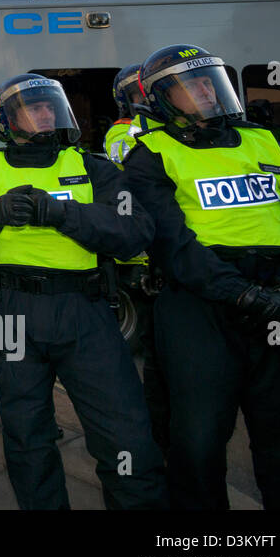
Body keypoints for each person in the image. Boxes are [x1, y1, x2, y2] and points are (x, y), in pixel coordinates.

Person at [0, 73, 167, 509]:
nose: (46, 114)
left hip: (87, 311)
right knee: (27, 436)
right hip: (11, 313)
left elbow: (135, 230)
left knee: (125, 435)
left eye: (50, 106)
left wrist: (64, 214)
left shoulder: (91, 166)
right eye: (33, 108)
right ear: (6, 120)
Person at [127, 44, 280, 510]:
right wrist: (243, 295)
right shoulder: (149, 154)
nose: (204, 92)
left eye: (208, 82)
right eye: (190, 87)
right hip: (203, 306)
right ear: (161, 100)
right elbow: (172, 245)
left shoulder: (262, 140)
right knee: (197, 445)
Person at [103, 66, 169, 453]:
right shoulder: (123, 131)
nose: (143, 94)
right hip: (148, 249)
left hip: (177, 249)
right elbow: (130, 162)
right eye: (135, 90)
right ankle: (153, 439)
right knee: (156, 353)